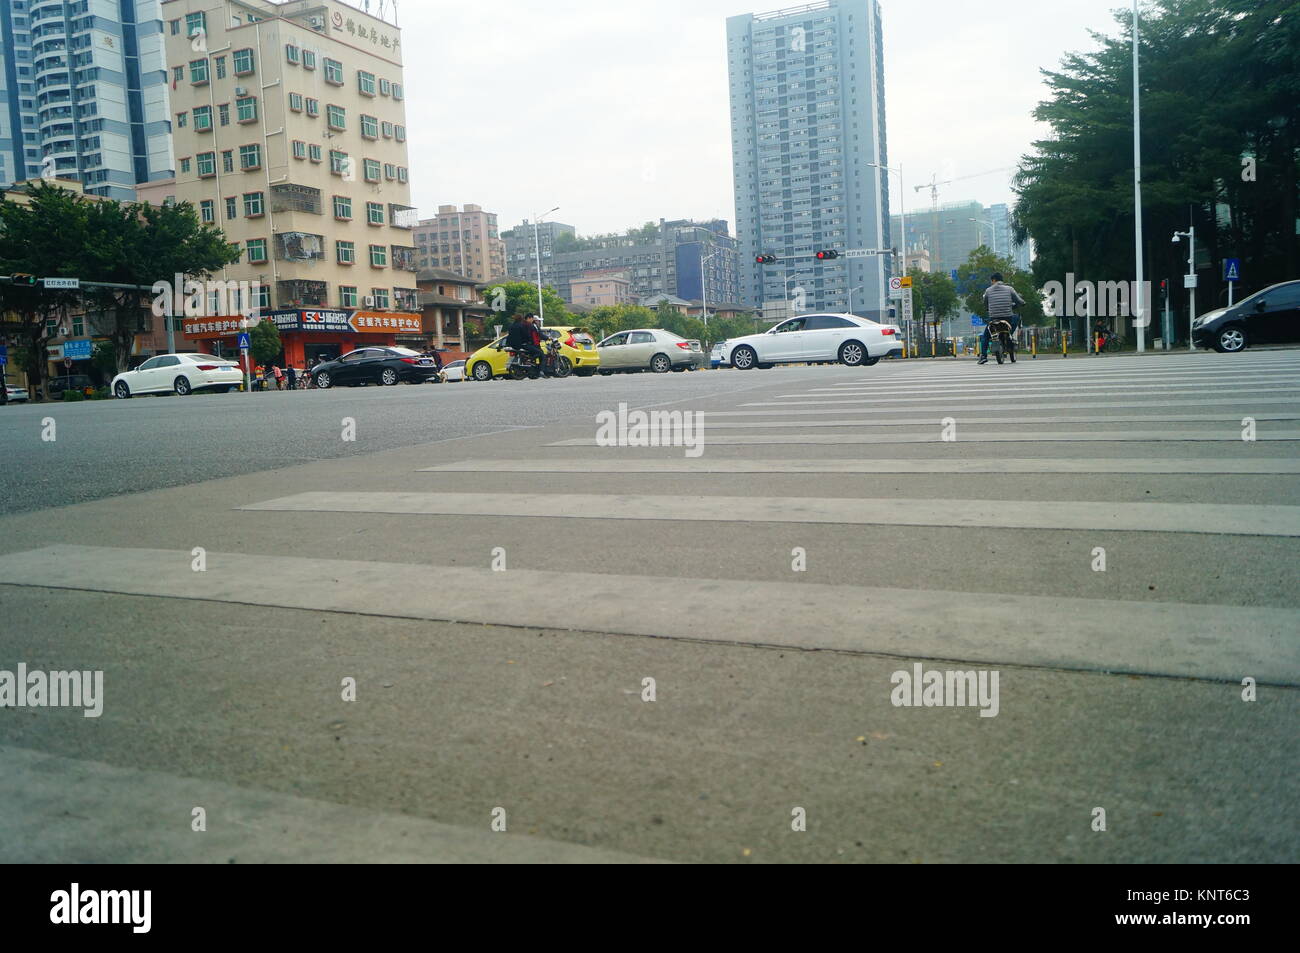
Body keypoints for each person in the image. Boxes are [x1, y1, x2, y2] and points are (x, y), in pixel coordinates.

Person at [978, 273, 1025, 365]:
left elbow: (985, 303)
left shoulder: (988, 291)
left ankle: (983, 356)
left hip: (993, 319)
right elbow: (1019, 301)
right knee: (1016, 317)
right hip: (1007, 318)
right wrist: (1022, 303)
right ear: (1001, 280)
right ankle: (1009, 335)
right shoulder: (1010, 289)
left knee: (985, 337)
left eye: (991, 281)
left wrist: (988, 308)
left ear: (993, 280)